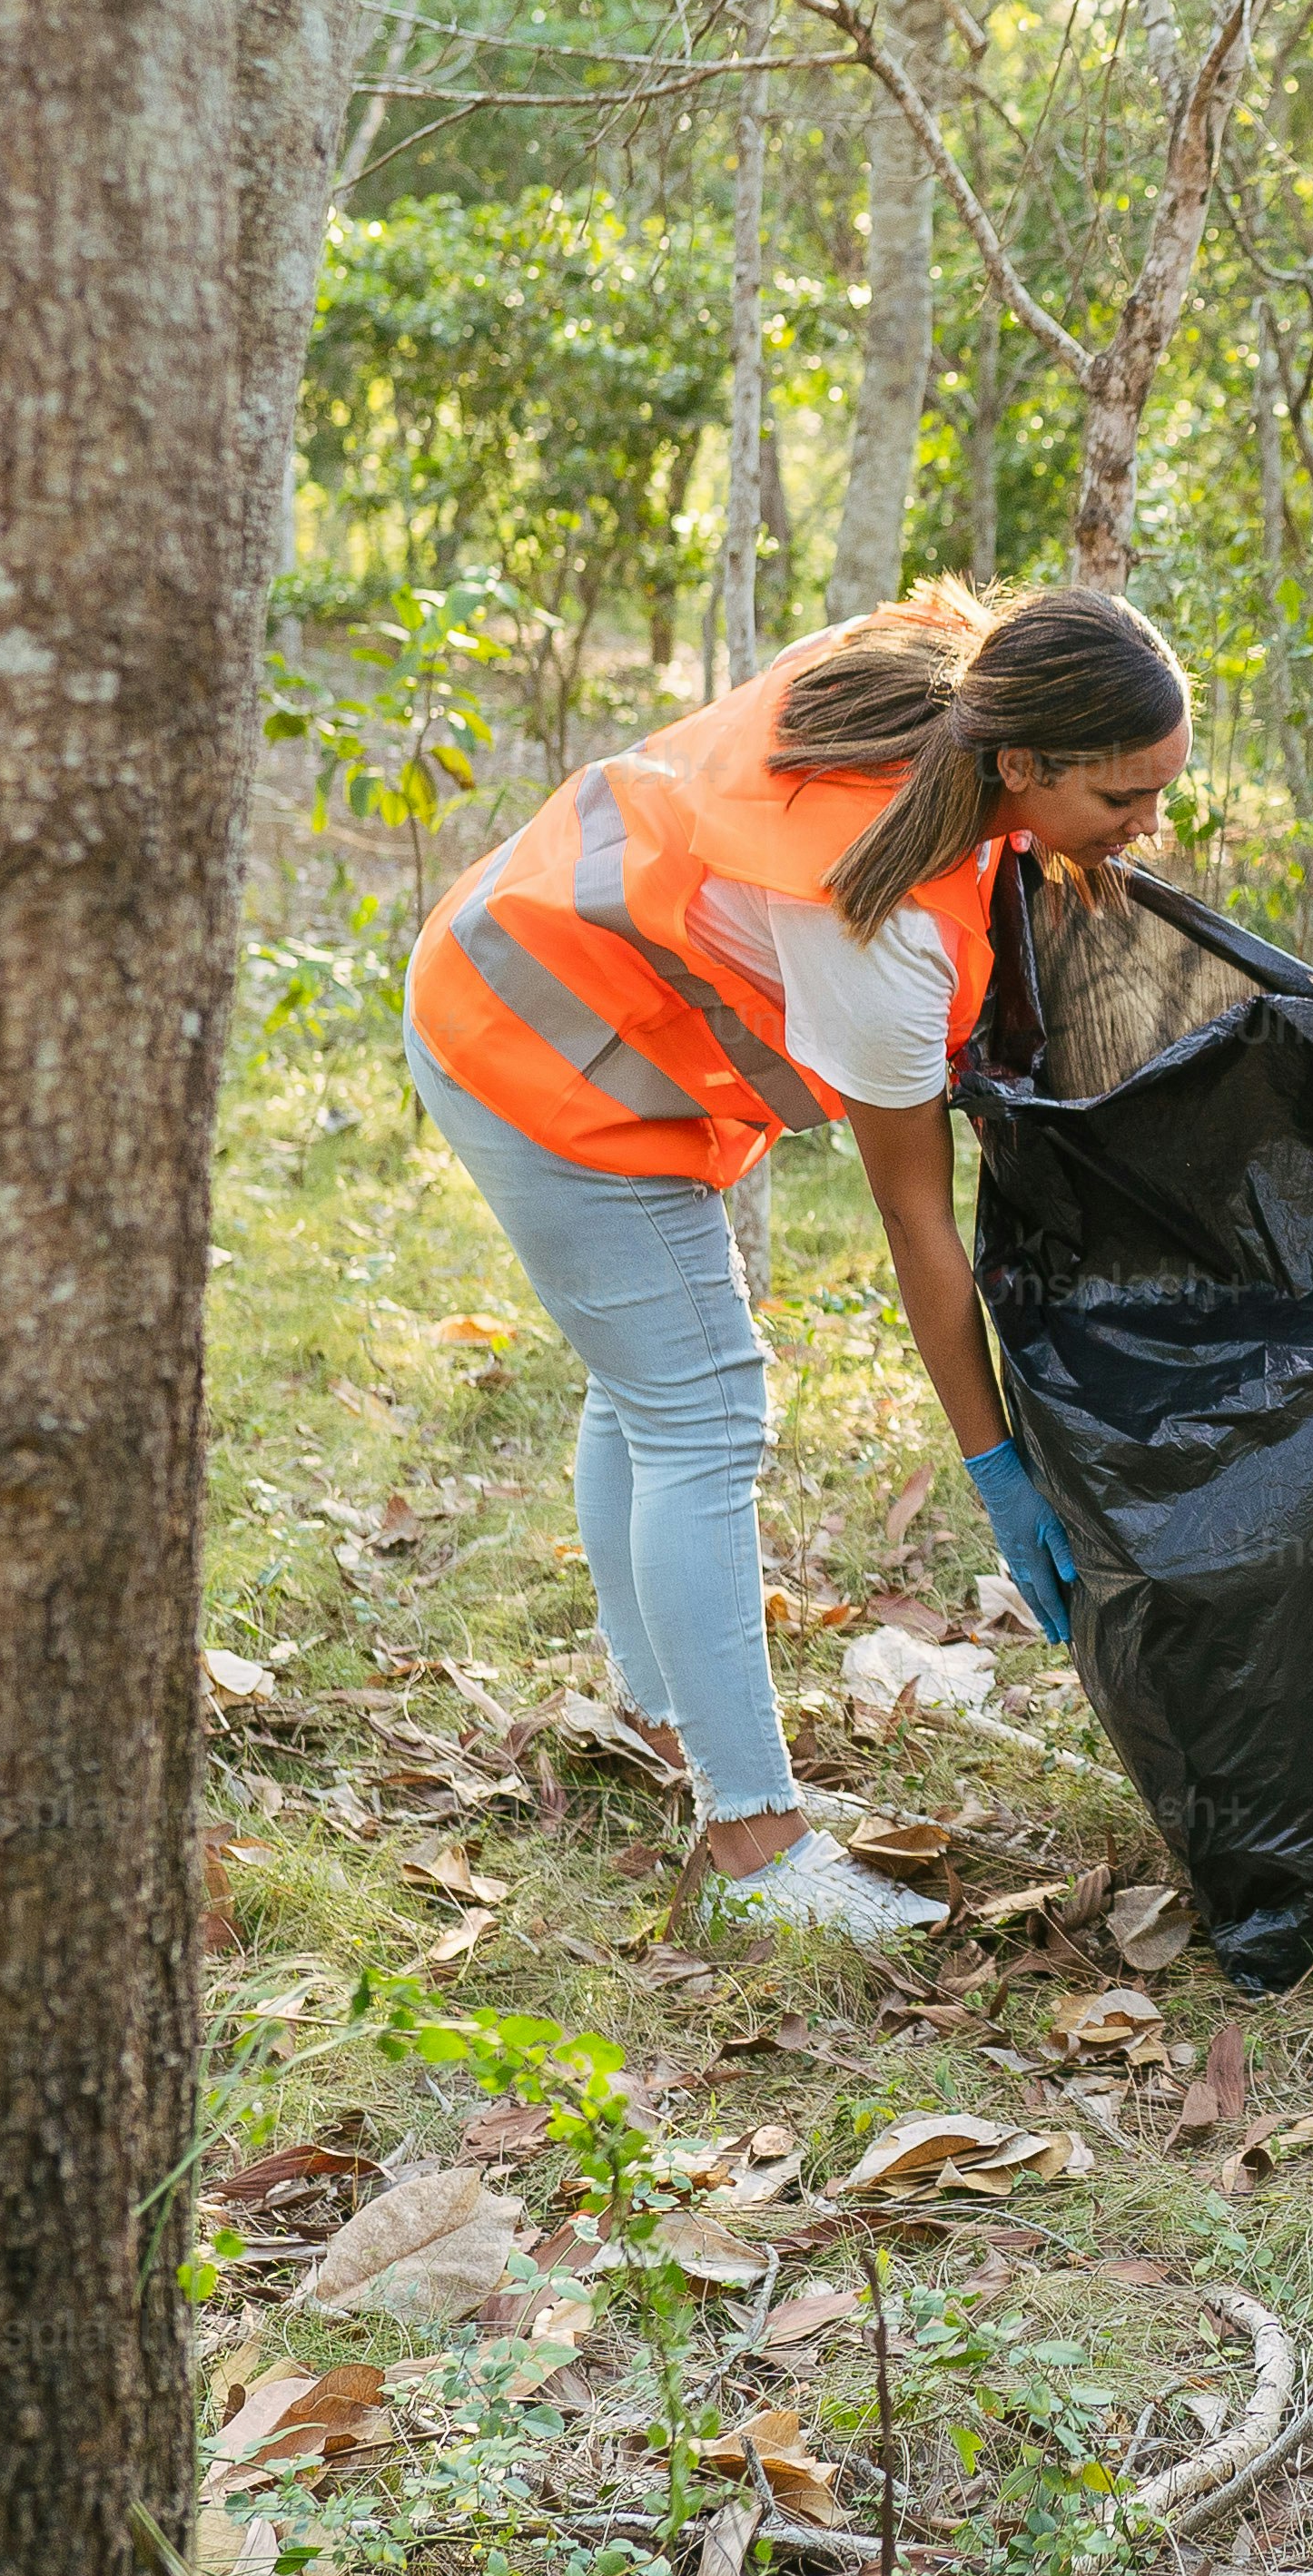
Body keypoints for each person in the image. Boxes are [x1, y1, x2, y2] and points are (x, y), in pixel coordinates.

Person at [404, 585, 1192, 1942]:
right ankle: (757, 1850)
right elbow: (915, 1219)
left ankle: (664, 1708)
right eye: (1126, 796)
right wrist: (995, 1464)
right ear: (1023, 763)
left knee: (641, 1394)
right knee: (702, 1408)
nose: (1149, 827)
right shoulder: (879, 931)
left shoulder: (943, 663)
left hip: (533, 965)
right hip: (536, 1048)